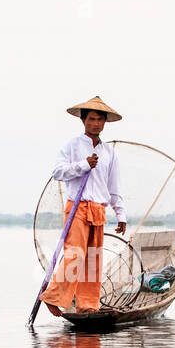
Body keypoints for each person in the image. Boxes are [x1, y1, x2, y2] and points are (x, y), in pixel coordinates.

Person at [40, 95, 126, 317]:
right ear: (83, 121)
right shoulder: (73, 146)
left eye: (100, 120)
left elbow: (113, 187)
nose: (95, 123)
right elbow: (58, 172)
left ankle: (88, 304)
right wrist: (82, 165)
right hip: (77, 206)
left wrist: (120, 214)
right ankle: (53, 297)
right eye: (92, 119)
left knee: (93, 259)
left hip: (98, 209)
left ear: (105, 123)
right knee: (75, 254)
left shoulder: (109, 153)